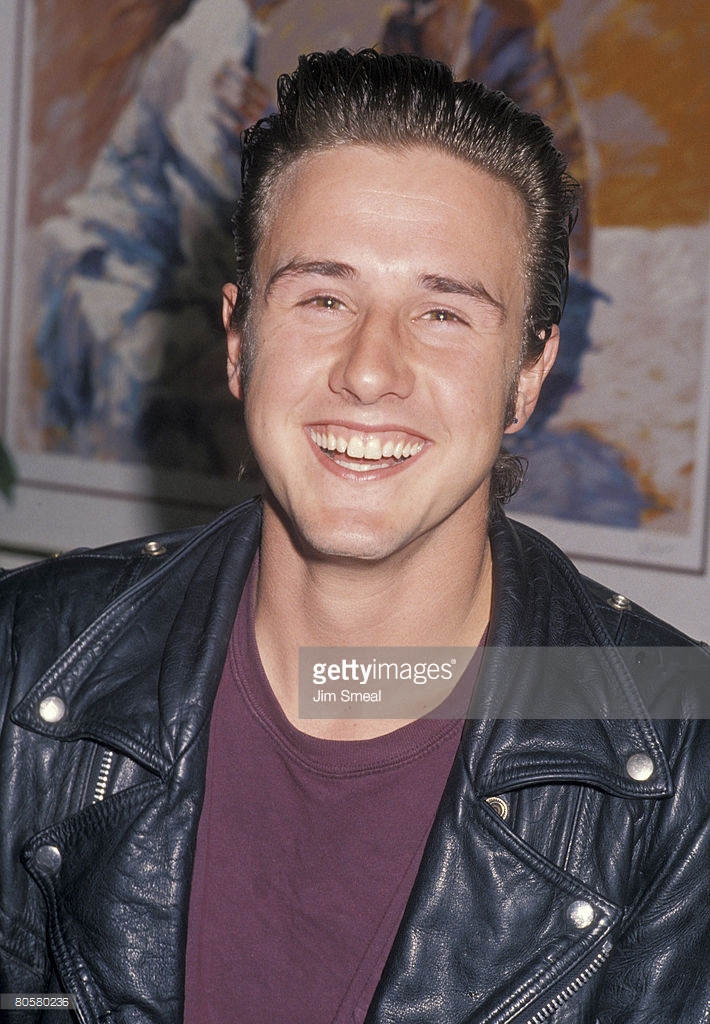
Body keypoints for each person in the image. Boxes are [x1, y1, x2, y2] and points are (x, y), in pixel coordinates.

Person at [1, 49, 709, 1024]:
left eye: (443, 312)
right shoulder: (24, 658)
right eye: (324, 298)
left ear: (526, 375)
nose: (370, 370)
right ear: (240, 339)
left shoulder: (681, 756)